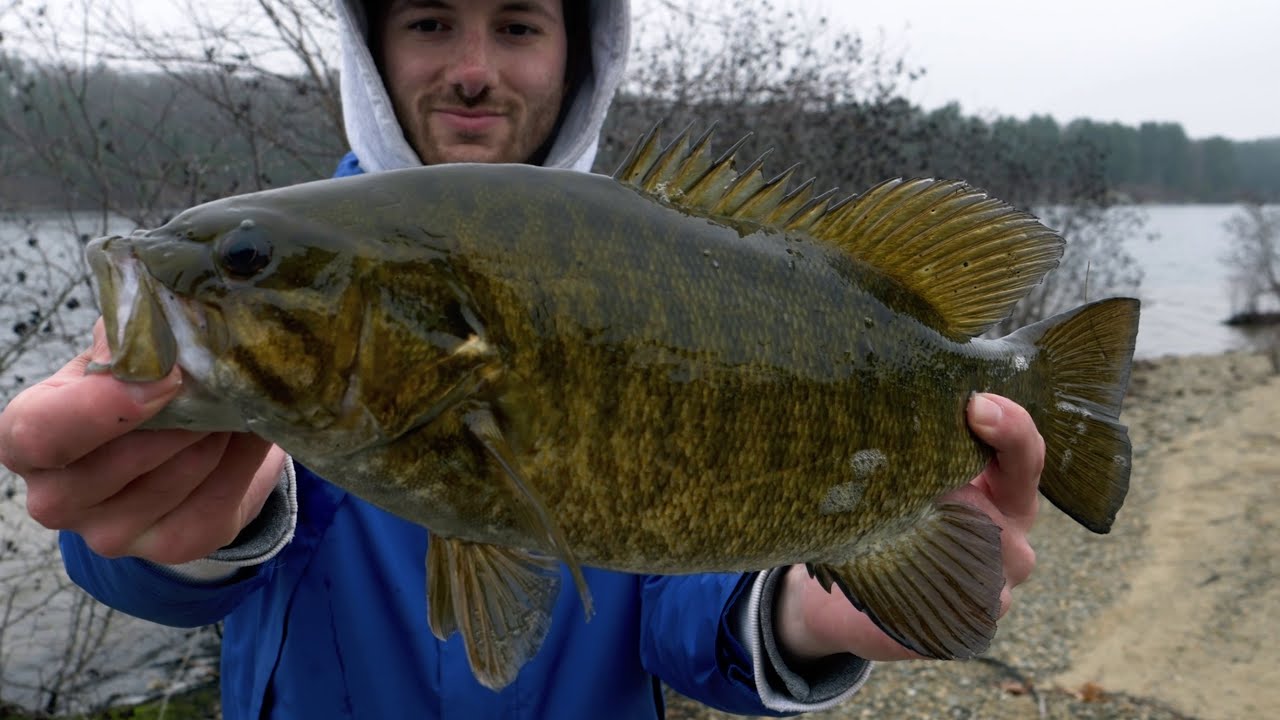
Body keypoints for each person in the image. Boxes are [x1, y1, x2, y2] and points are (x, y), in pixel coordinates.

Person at [0, 0, 1044, 717]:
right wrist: (175, 526)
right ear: (371, 43)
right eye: (428, 20)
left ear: (577, 47)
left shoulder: (647, 254)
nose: (472, 66)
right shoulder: (305, 311)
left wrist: (803, 615)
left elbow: (675, 590)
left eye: (518, 23)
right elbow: (138, 557)